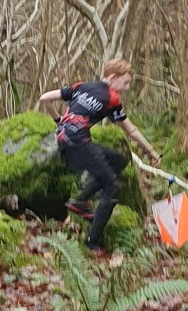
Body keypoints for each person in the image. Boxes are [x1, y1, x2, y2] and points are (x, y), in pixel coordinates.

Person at [37, 58, 160, 251]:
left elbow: (44, 98)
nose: (126, 88)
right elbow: (131, 130)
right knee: (112, 186)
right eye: (125, 82)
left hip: (64, 141)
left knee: (119, 160)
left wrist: (58, 120)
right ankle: (91, 242)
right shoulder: (111, 98)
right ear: (112, 77)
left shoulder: (82, 86)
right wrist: (151, 151)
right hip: (79, 144)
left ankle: (81, 200)